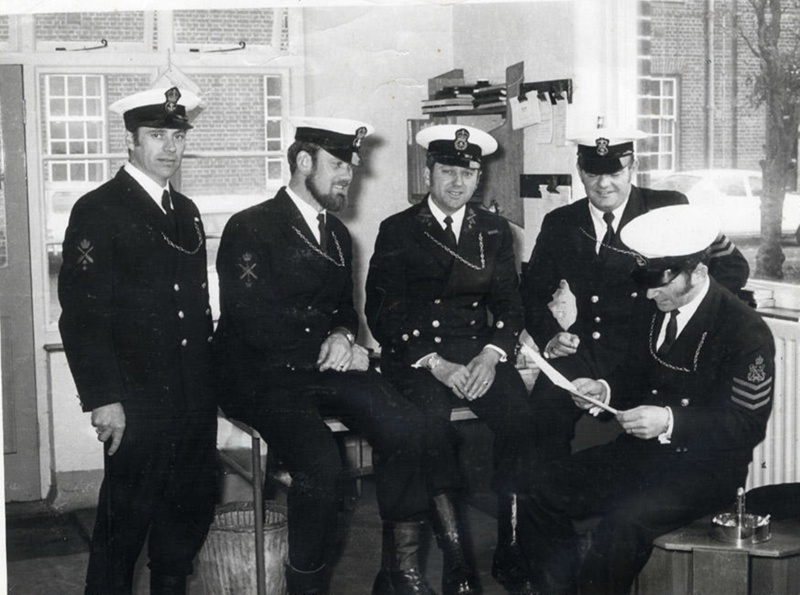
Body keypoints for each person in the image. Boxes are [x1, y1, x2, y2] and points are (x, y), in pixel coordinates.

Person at [213, 117, 463, 595]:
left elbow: (344, 307)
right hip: (258, 376)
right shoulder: (251, 226)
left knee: (412, 427)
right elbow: (250, 319)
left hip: (321, 367)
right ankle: (304, 588)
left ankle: (398, 574)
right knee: (322, 468)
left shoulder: (338, 234)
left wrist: (346, 335)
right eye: (337, 164)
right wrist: (332, 346)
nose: (348, 174)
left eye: (351, 164)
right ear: (303, 161)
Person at [514, 204, 775, 594]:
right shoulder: (653, 307)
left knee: (622, 523)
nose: (650, 293)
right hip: (641, 455)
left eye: (661, 284)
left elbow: (745, 424)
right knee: (537, 486)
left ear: (699, 272)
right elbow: (634, 374)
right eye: (647, 282)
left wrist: (669, 420)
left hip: (705, 471)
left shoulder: (744, 330)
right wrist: (604, 389)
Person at [365, 124, 538, 595]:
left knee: (522, 422)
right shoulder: (398, 230)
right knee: (429, 427)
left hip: (477, 355)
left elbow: (509, 305)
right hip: (419, 358)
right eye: (447, 171)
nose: (457, 183)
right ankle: (458, 561)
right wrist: (436, 362)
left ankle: (512, 549)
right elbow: (381, 311)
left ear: (479, 178)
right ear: (428, 173)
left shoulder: (495, 229)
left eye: (468, 173)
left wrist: (491, 354)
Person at [58, 86, 218, 595]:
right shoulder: (99, 208)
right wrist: (103, 399)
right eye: (155, 136)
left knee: (183, 525)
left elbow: (194, 307)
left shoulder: (186, 209)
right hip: (136, 399)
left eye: (177, 136)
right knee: (121, 533)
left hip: (191, 396)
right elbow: (81, 315)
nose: (169, 147)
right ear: (130, 141)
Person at [519, 128, 751, 462]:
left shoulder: (668, 206)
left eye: (614, 173)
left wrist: (681, 320)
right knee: (540, 424)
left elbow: (732, 269)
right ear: (580, 170)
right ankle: (548, 508)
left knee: (643, 459)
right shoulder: (561, 222)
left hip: (648, 354)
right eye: (593, 173)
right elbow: (530, 293)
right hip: (583, 352)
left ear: (632, 167)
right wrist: (551, 335)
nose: (603, 185)